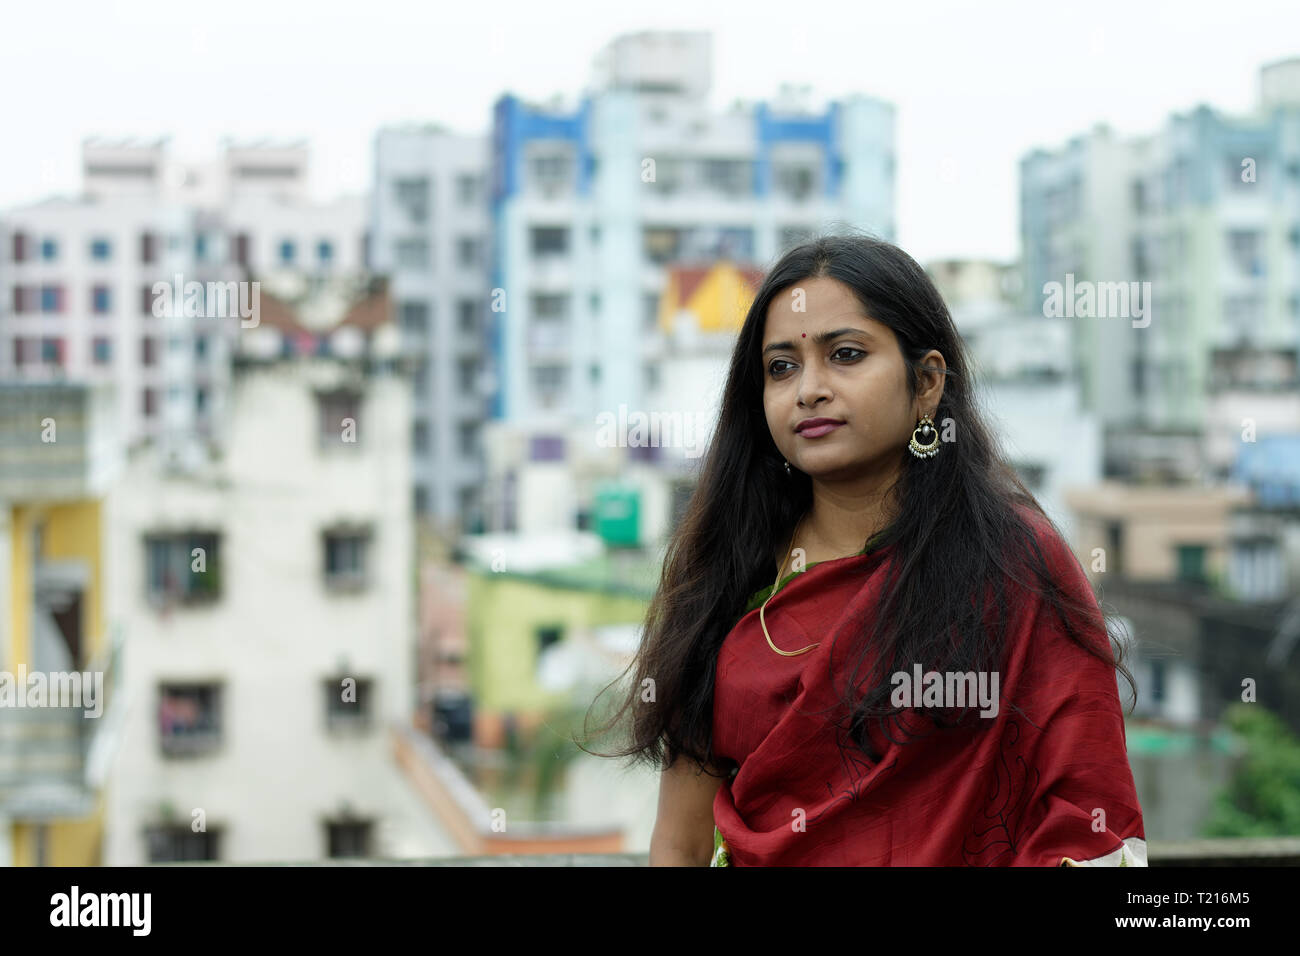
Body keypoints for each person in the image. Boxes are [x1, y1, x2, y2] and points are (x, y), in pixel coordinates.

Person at [581, 232, 1145, 866]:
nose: (809, 389)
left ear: (927, 382)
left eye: (845, 355)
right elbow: (678, 843)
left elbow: (1084, 809)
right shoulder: (727, 568)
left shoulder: (1011, 562)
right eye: (781, 367)